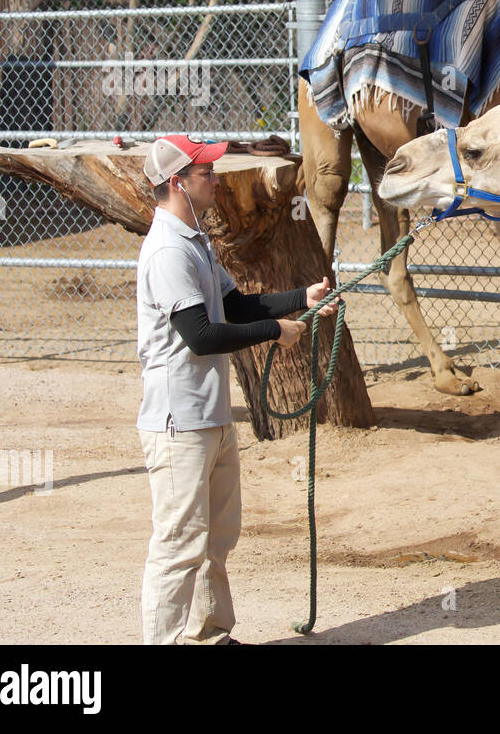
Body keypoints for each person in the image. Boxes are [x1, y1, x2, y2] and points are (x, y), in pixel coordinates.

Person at [136, 134, 338, 645]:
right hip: (178, 421)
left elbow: (238, 308)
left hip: (210, 415)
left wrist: (302, 299)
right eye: (206, 172)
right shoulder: (166, 250)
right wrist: (279, 332)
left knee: (216, 539)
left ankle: (210, 634)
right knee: (178, 544)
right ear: (179, 182)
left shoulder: (195, 240)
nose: (216, 178)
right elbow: (203, 337)